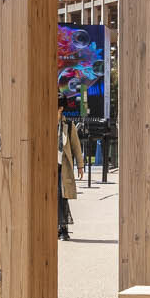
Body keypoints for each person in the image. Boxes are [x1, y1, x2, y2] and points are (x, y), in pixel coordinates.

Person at [57, 99, 84, 241]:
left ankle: (63, 229)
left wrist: (80, 165)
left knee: (62, 195)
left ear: (60, 109)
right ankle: (56, 226)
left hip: (63, 166)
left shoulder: (68, 125)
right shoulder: (45, 122)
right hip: (47, 166)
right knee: (52, 196)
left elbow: (76, 147)